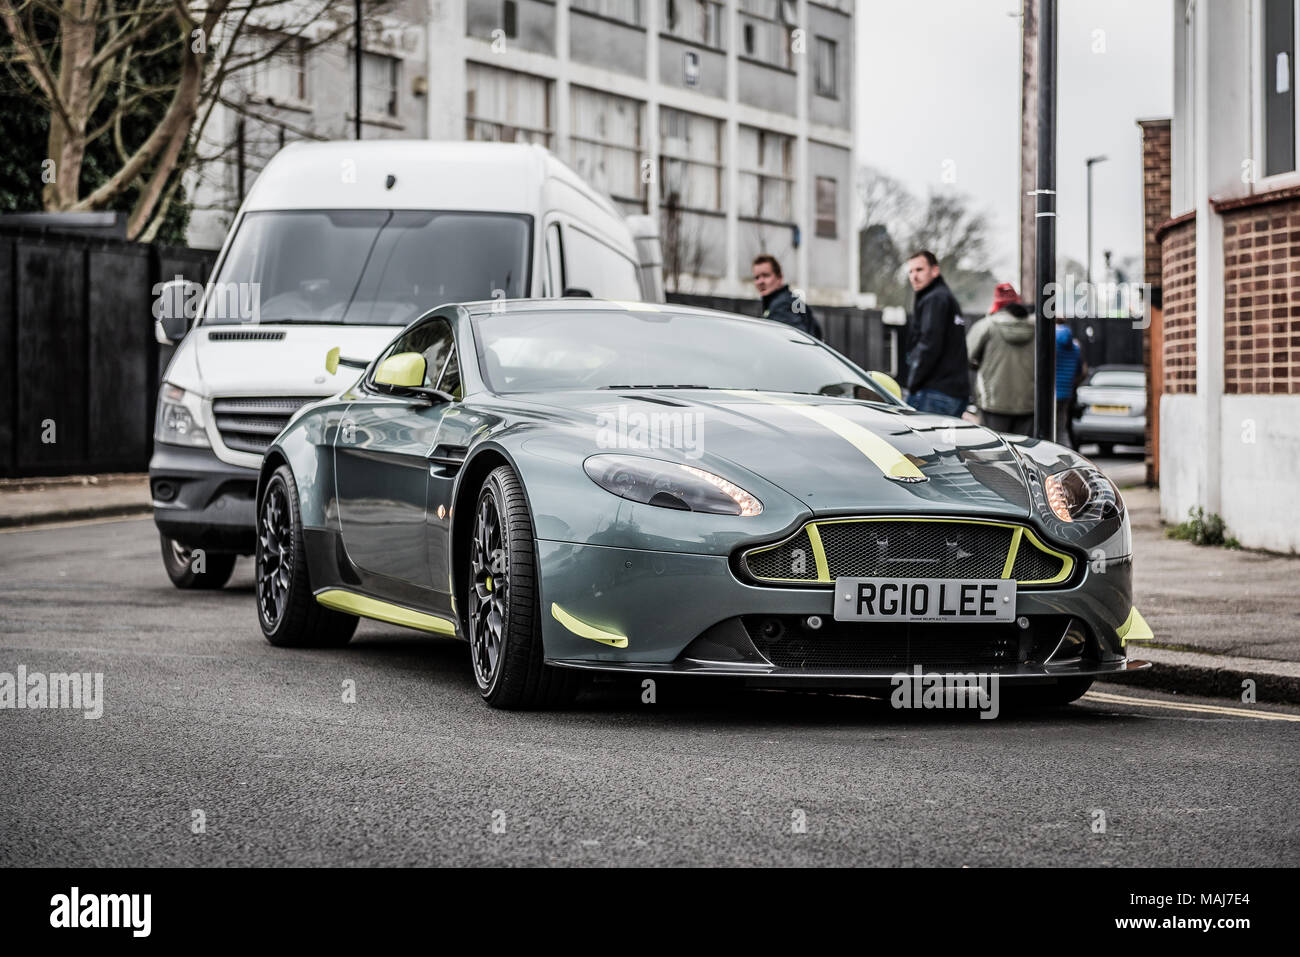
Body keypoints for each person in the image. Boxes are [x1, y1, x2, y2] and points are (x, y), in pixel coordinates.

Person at [903, 249, 968, 415]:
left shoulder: (935, 299)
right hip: (951, 392)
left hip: (935, 393)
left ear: (935, 270)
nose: (914, 276)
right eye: (910, 271)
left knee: (919, 441)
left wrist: (912, 384)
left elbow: (929, 344)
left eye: (919, 270)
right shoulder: (944, 297)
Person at [966, 282, 1035, 434]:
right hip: (1028, 404)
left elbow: (967, 357)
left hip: (993, 402)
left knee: (995, 452)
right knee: (1024, 453)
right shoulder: (1037, 328)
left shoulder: (986, 326)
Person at [752, 254, 822, 339]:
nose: (760, 281)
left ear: (779, 277)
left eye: (766, 275)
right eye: (757, 277)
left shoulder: (782, 305)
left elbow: (795, 341)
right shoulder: (788, 301)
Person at [1054, 318, 1088, 448]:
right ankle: (1068, 458)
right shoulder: (1075, 346)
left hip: (1052, 392)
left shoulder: (1051, 341)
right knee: (1062, 429)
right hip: (1067, 392)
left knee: (1048, 428)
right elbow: (1081, 371)